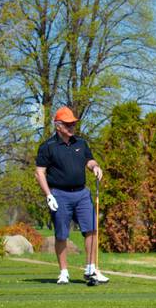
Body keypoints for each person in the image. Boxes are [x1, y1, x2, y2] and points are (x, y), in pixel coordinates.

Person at [35, 106, 107, 285]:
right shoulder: (48, 147)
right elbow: (39, 172)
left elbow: (89, 160)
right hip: (59, 194)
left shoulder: (80, 143)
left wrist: (95, 167)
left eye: (73, 124)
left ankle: (91, 268)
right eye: (68, 124)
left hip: (81, 193)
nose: (71, 127)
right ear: (58, 126)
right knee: (61, 234)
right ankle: (64, 272)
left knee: (91, 229)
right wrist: (48, 195)